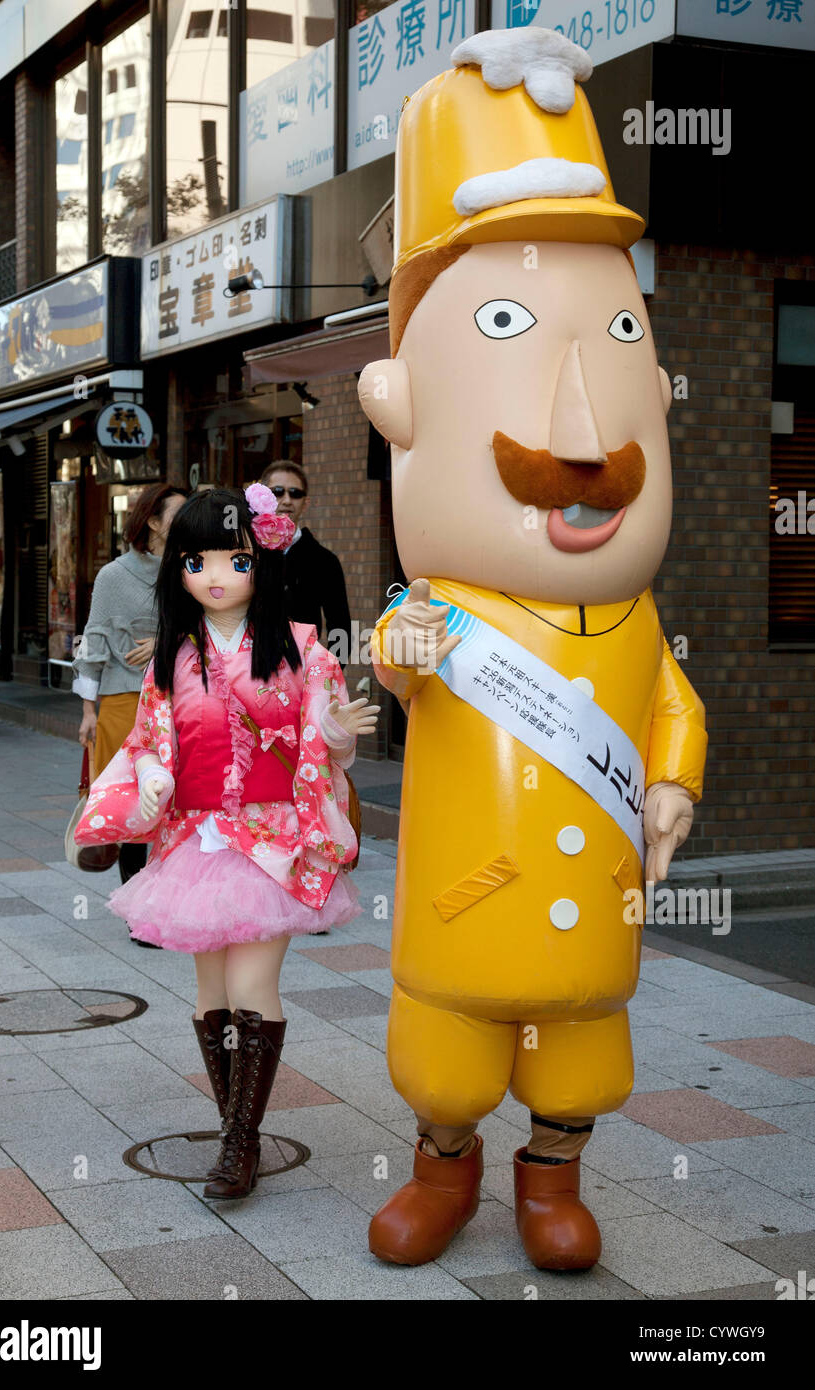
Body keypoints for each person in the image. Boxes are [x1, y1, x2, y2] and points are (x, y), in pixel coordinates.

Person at [358, 26, 707, 1271]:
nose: (579, 429)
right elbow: (399, 661)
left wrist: (669, 778)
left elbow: (668, 701)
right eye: (506, 321)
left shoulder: (637, 617)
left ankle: (550, 1179)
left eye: (618, 336)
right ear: (399, 404)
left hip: (590, 917)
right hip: (463, 911)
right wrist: (398, 649)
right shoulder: (445, 608)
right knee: (442, 1058)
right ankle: (442, 1165)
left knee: (580, 1056)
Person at [74, 485, 379, 1199]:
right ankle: (231, 1129)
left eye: (234, 560)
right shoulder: (171, 657)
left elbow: (329, 750)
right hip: (192, 839)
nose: (214, 576)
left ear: (261, 562)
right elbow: (153, 738)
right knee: (210, 992)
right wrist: (151, 776)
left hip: (272, 837)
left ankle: (240, 1143)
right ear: (178, 567)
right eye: (197, 561)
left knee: (250, 985)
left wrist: (335, 738)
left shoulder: (303, 647)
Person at [73, 483, 188, 898]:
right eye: (178, 515)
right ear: (153, 521)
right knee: (134, 803)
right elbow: (93, 642)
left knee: (178, 804)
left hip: (183, 701)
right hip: (125, 703)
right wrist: (89, 711)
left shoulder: (194, 570)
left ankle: (167, 897)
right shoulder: (113, 575)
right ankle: (137, 906)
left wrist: (167, 641)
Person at [257, 461, 351, 652]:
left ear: (305, 503)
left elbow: (341, 628)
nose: (287, 500)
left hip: (302, 672)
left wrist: (327, 674)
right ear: (262, 497)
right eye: (277, 491)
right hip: (246, 671)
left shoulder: (325, 561)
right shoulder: (244, 553)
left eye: (295, 493)